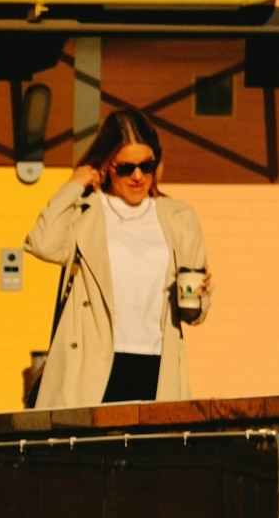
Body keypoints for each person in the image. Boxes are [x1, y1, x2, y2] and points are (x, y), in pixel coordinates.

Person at [22, 110, 208, 405]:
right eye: (125, 168)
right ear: (107, 165)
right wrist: (74, 184)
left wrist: (199, 300)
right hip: (91, 365)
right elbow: (42, 244)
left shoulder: (179, 218)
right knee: (90, 450)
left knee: (149, 449)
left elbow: (193, 311)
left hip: (157, 364)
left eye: (146, 166)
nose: (137, 176)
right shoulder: (86, 212)